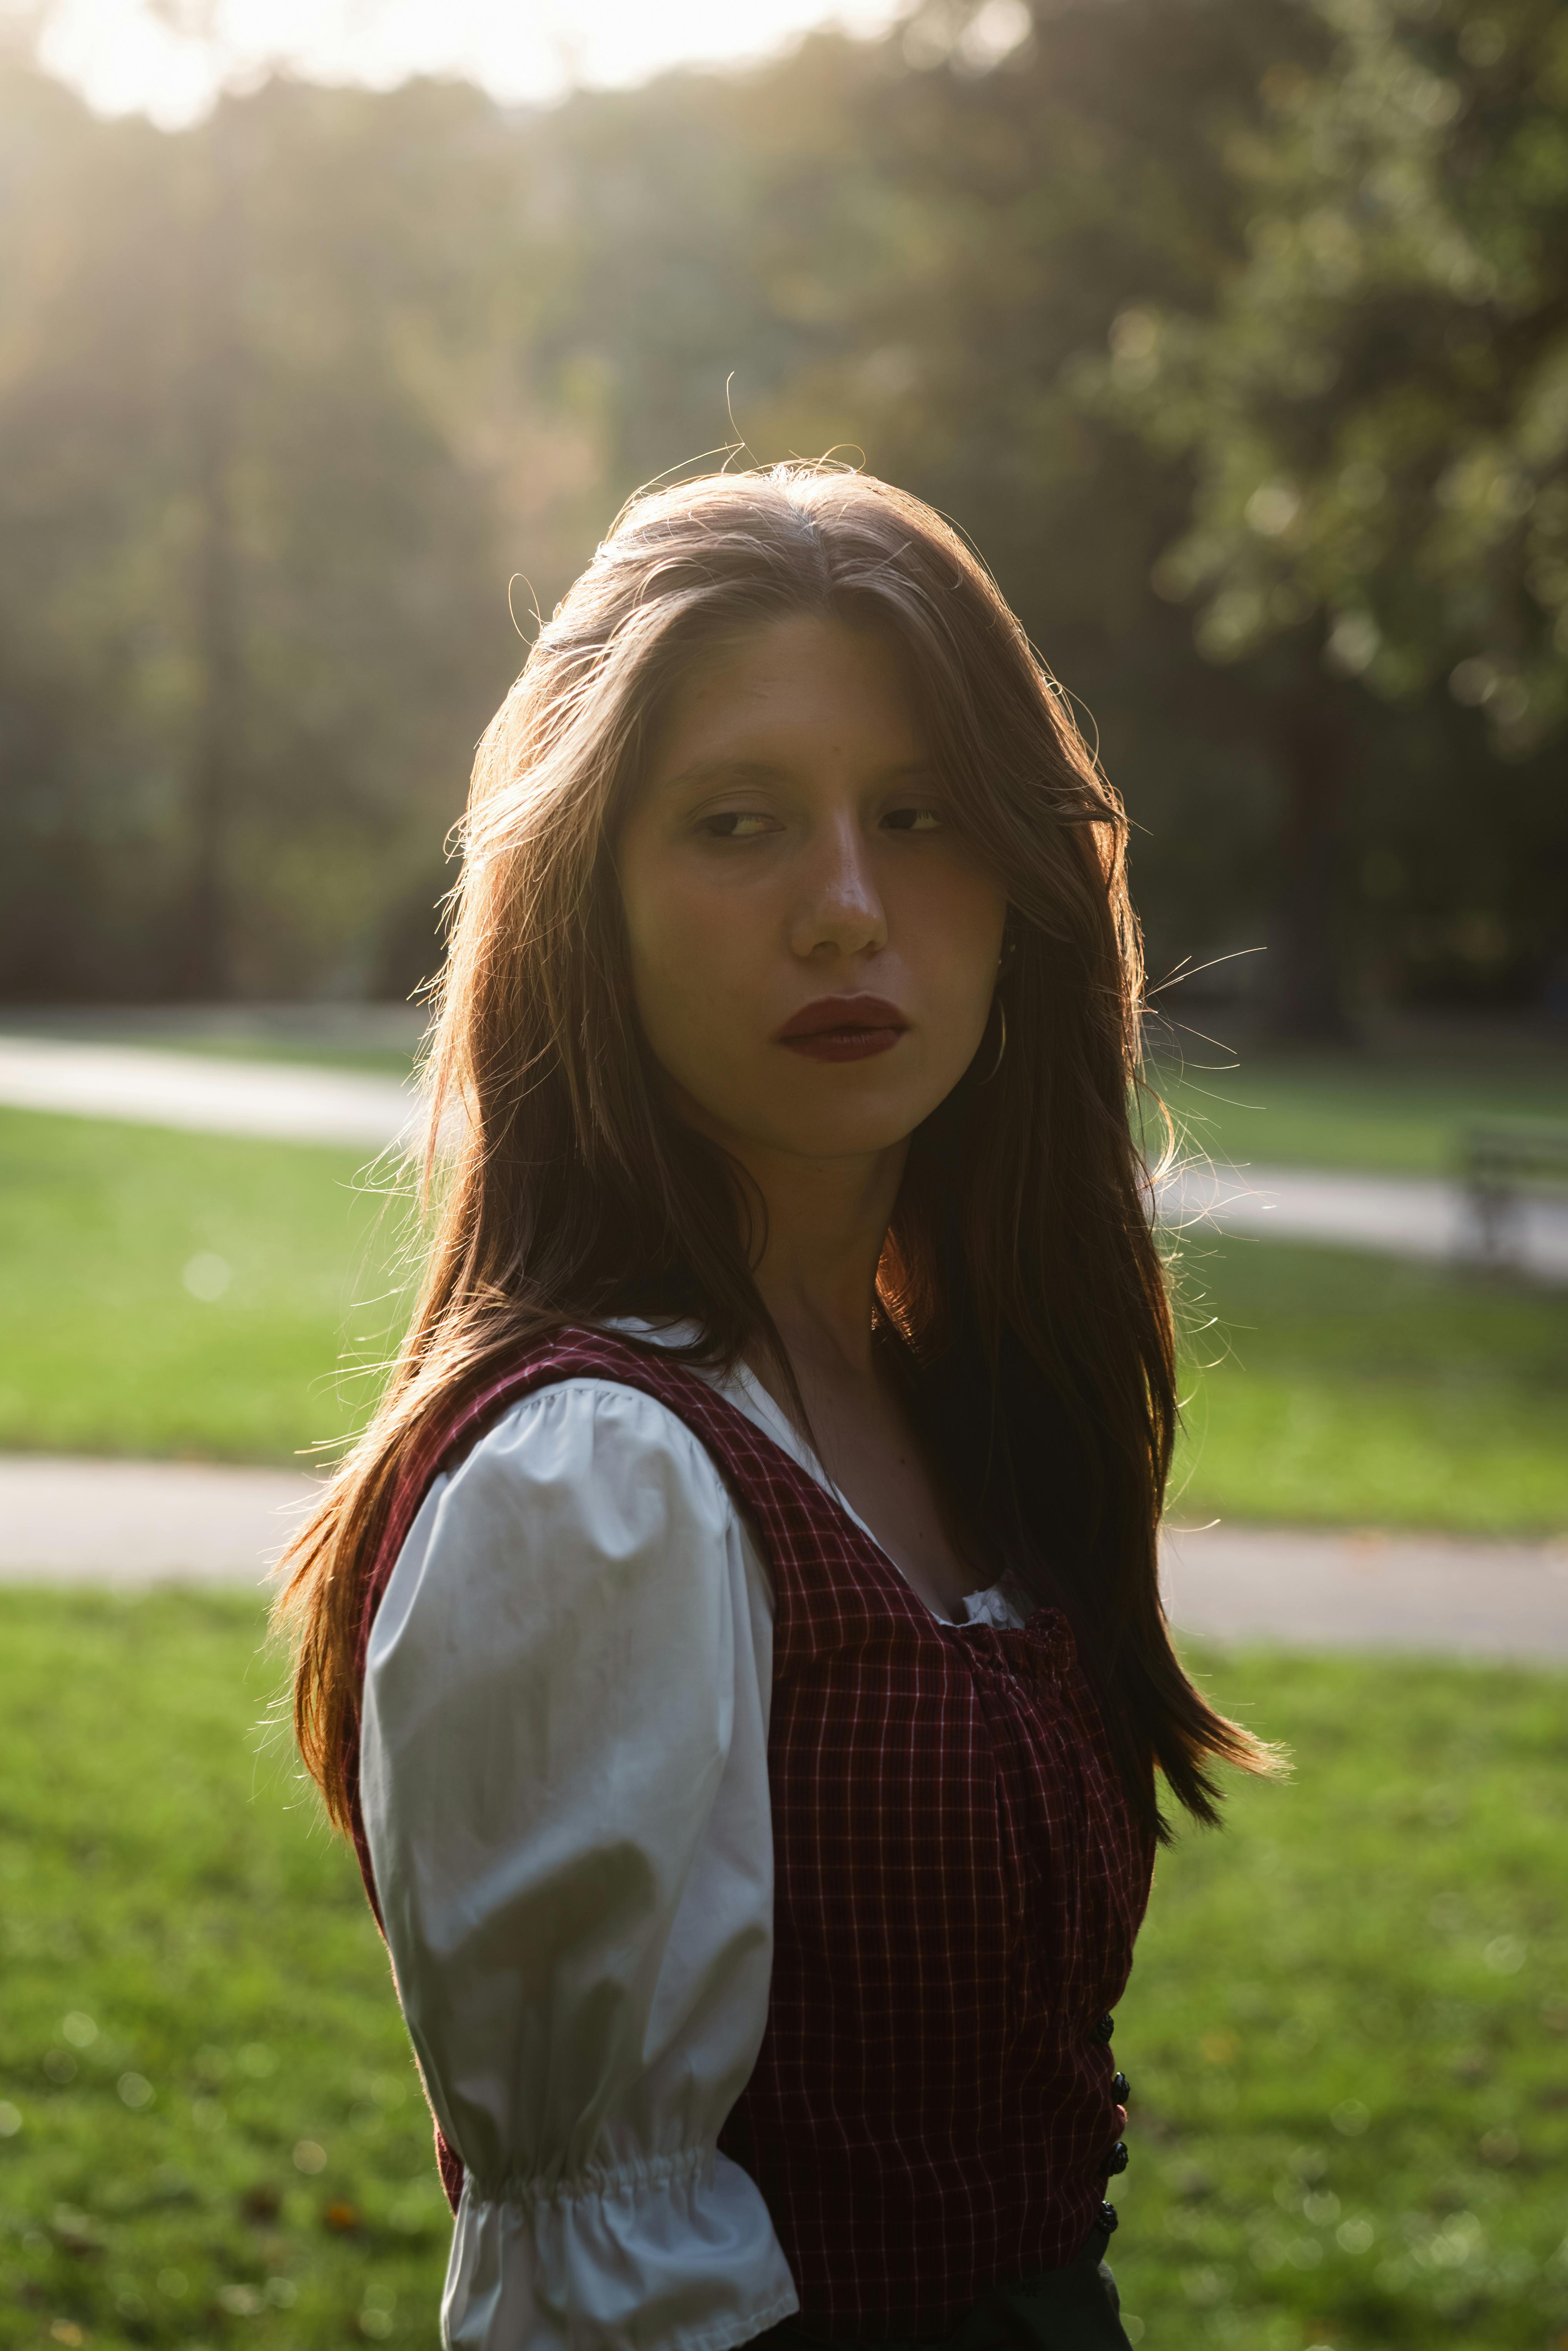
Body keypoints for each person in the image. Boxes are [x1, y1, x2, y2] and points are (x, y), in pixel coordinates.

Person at [274, 465, 1271, 2351]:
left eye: (915, 816)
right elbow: (605, 2279)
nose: (841, 908)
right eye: (737, 823)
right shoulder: (597, 1474)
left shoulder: (942, 1396)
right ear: (585, 902)